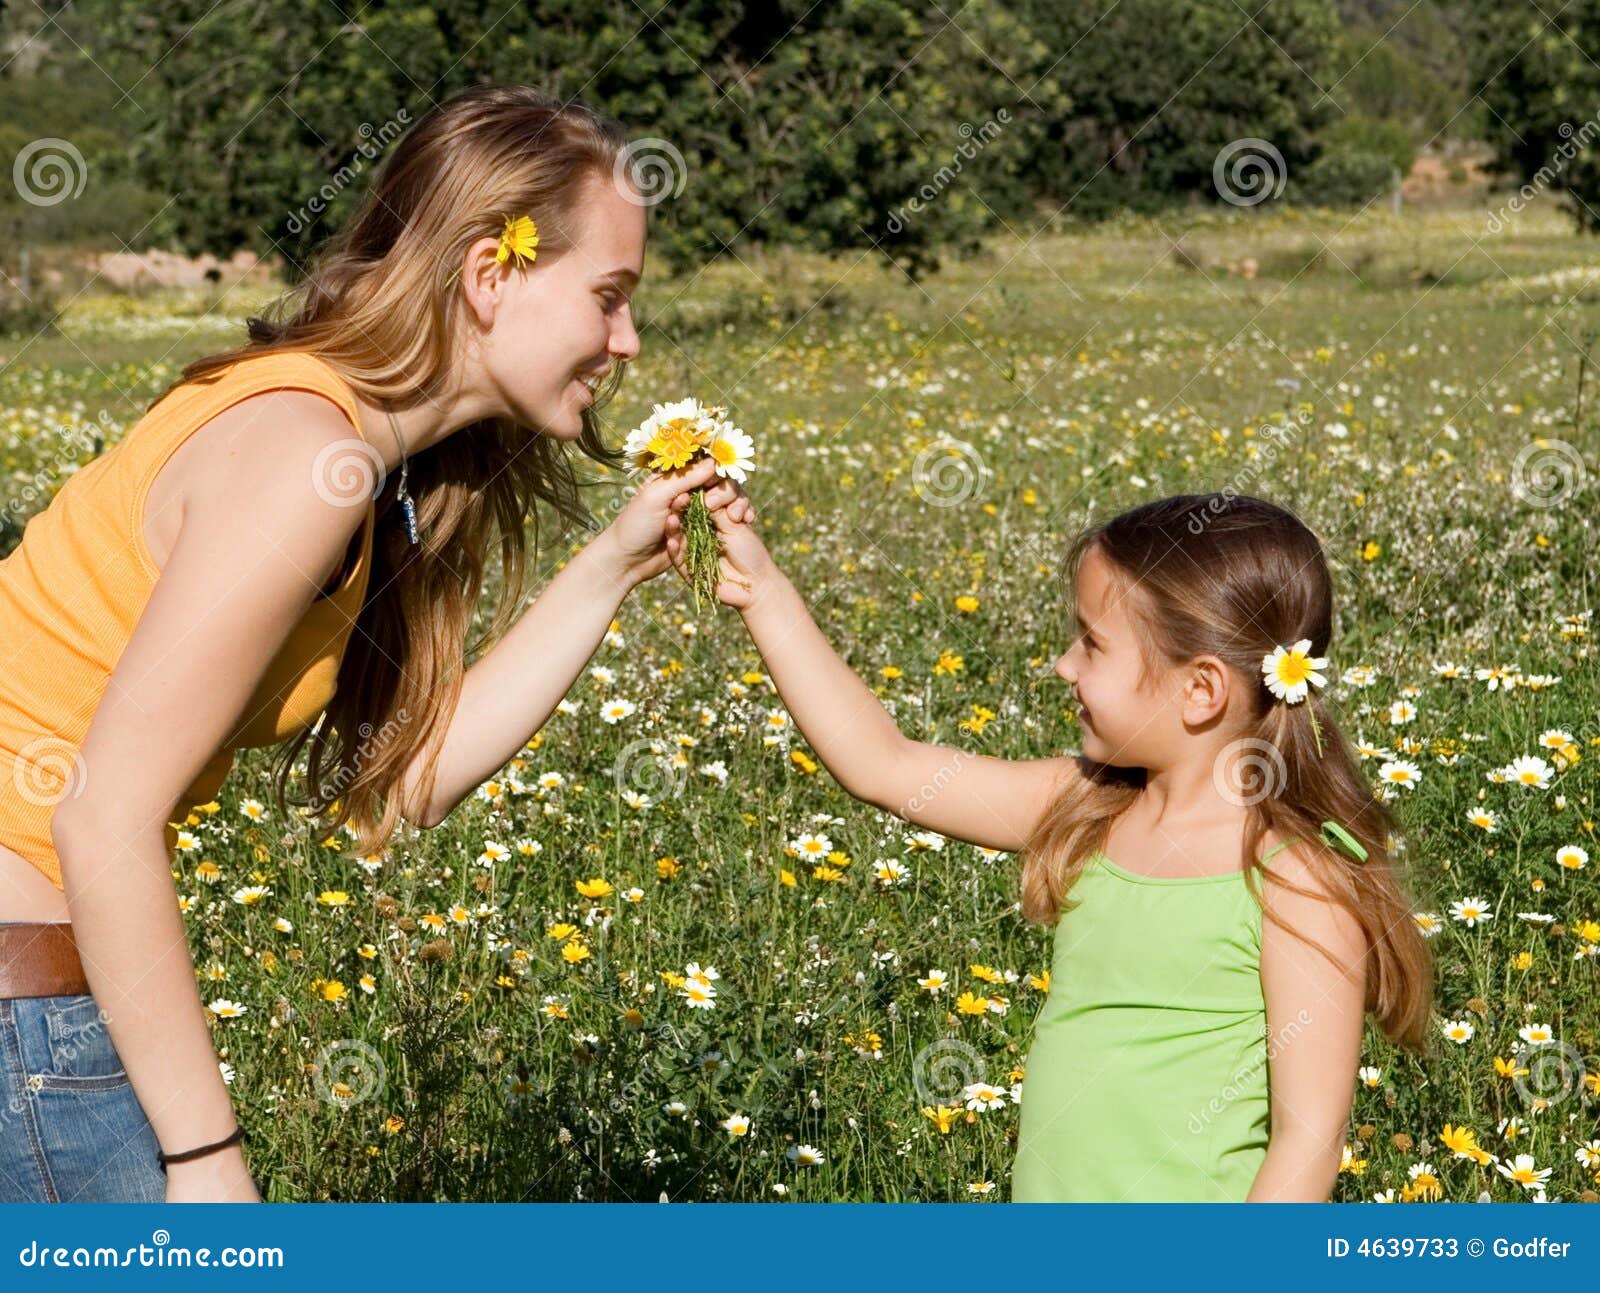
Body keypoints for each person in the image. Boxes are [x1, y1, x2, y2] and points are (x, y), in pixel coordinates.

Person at [0, 84, 746, 1202]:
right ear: (490, 276)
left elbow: (408, 782)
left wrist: (608, 569)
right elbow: (101, 815)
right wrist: (209, 1161)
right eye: (609, 296)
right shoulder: (306, 456)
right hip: (26, 1007)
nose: (627, 341)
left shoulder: (360, 468)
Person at [675, 489, 1435, 1202]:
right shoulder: (1091, 803)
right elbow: (883, 764)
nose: (1063, 664)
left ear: (1200, 690)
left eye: (1092, 644)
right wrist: (763, 591)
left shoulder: (1296, 875)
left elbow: (1308, 1139)